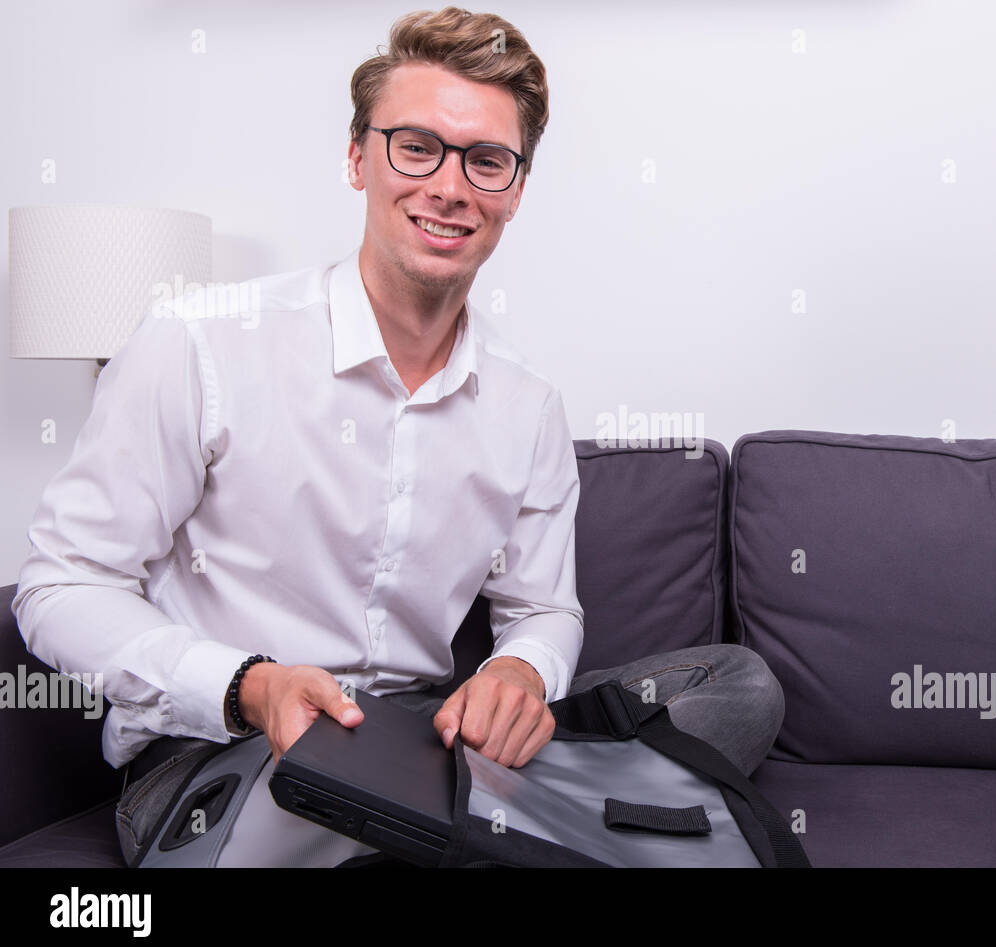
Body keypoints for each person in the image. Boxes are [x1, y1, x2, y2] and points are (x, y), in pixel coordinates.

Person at [11, 6, 784, 868]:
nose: (450, 187)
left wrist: (519, 676)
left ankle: (478, 828)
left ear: (516, 191)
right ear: (358, 157)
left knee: (738, 687)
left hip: (427, 744)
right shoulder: (200, 342)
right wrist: (248, 686)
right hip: (226, 755)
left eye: (487, 161)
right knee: (376, 815)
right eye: (416, 147)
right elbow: (61, 583)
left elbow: (543, 610)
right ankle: (541, 832)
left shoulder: (526, 403)